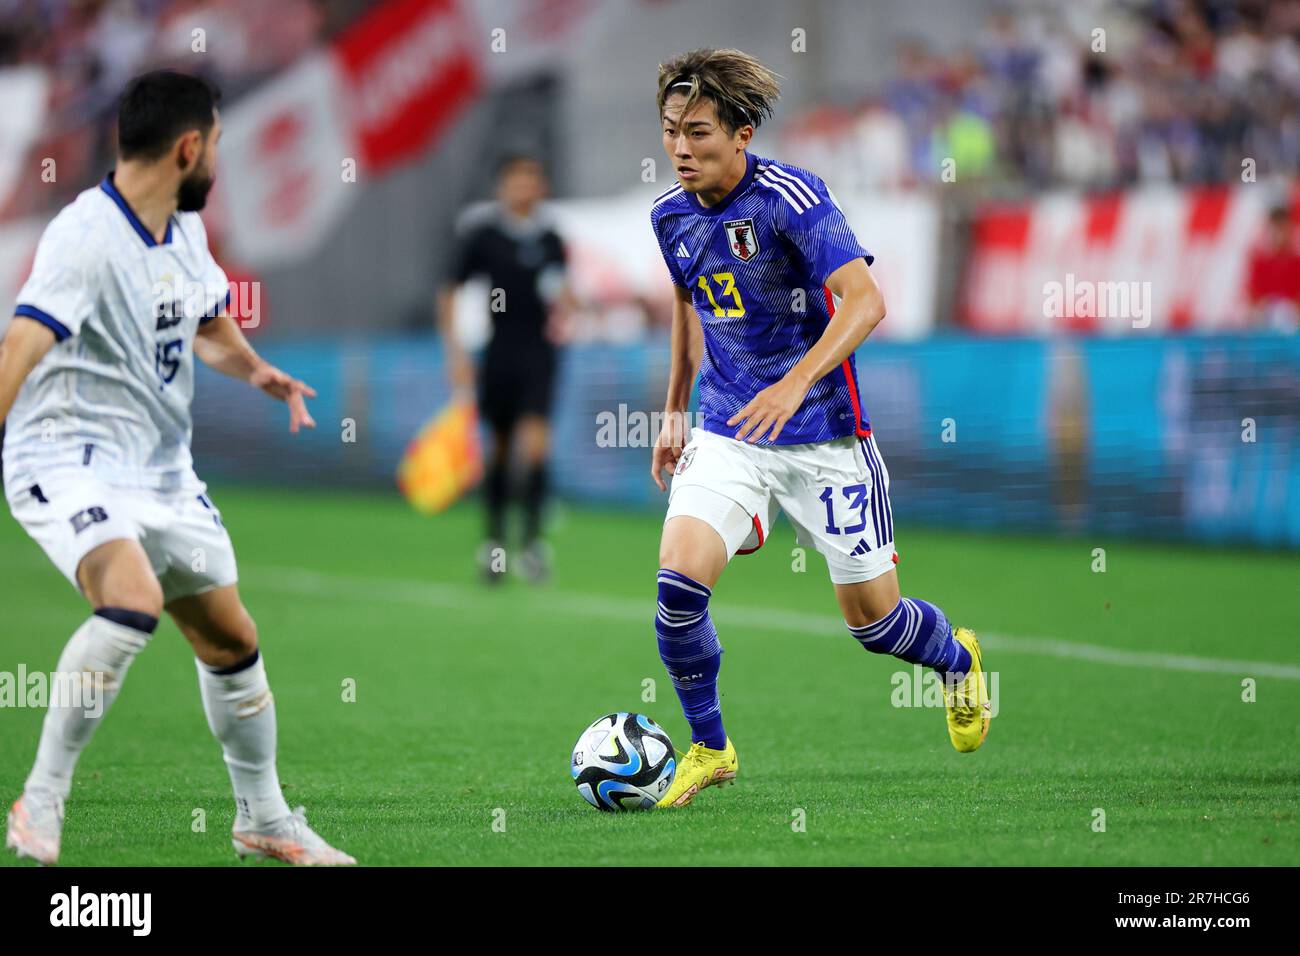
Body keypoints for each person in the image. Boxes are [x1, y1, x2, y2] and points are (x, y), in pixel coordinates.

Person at [0, 70, 353, 865]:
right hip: (66, 455)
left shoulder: (183, 228)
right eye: (218, 145)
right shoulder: (84, 237)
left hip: (160, 471)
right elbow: (20, 344)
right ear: (189, 146)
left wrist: (258, 371)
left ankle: (263, 818)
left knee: (231, 640)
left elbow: (205, 320)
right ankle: (41, 803)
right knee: (131, 601)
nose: (218, 160)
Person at [647, 49, 990, 809]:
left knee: (874, 624)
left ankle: (957, 660)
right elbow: (687, 303)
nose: (680, 148)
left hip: (825, 434)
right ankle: (711, 748)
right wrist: (674, 410)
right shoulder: (669, 216)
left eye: (697, 132)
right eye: (670, 131)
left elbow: (865, 302)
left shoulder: (792, 198)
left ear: (741, 134)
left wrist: (795, 382)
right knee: (676, 589)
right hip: (729, 428)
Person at [437, 154, 574, 584]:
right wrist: (455, 352)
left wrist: (582, 304)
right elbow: (449, 290)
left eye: (531, 179)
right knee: (496, 450)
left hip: (539, 354)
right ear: (502, 187)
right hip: (498, 353)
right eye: (515, 179)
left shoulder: (551, 238)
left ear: (541, 187)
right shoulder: (484, 236)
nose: (523, 188)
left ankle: (532, 545)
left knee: (535, 448)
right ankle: (494, 544)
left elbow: (564, 292)